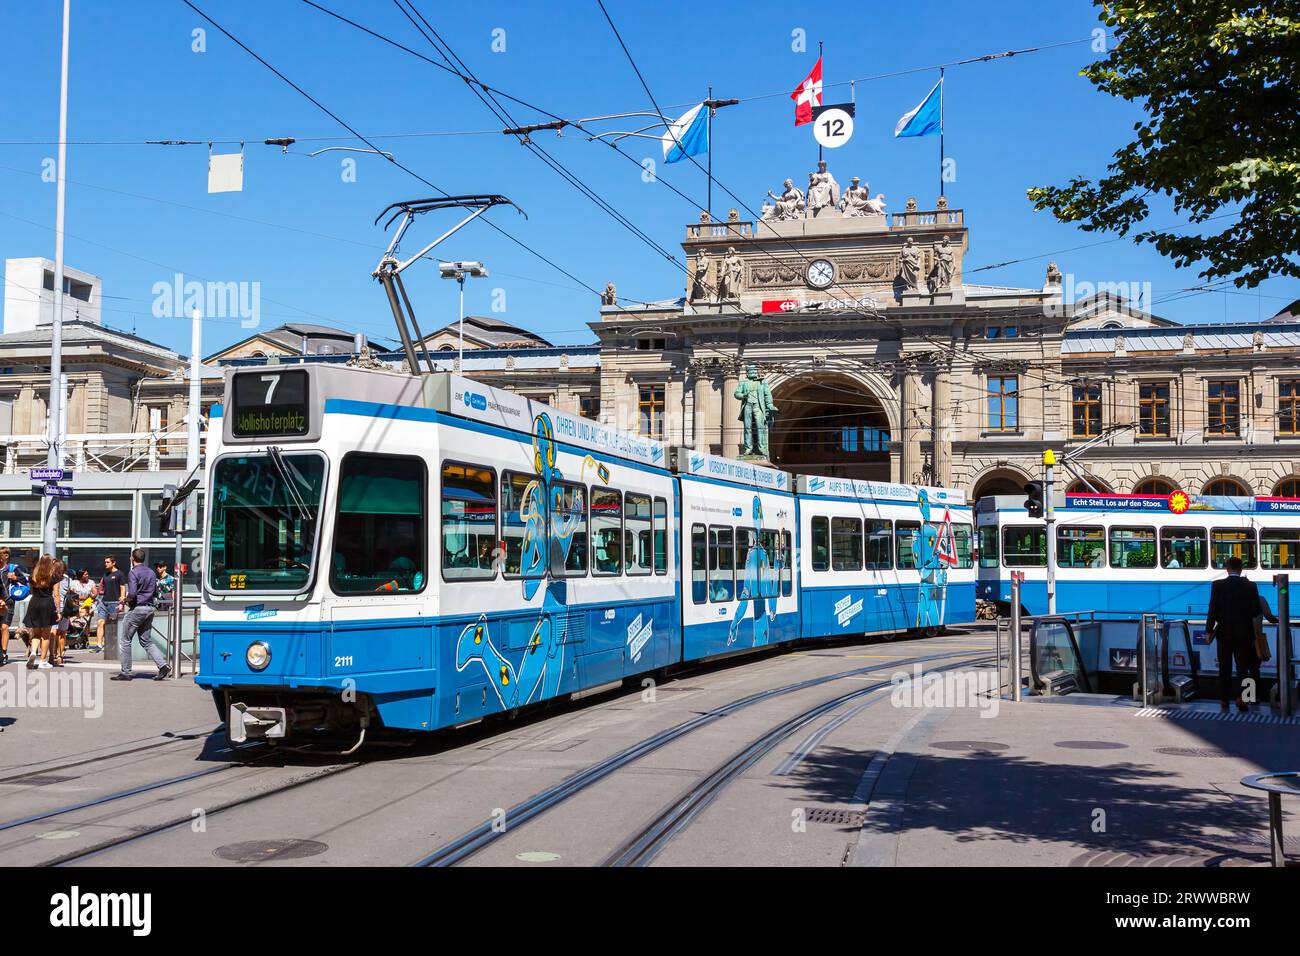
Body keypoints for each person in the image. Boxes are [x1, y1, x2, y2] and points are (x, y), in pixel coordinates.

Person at [1204, 556, 1263, 712]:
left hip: (1224, 633)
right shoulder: (1251, 586)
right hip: (1244, 633)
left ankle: (1224, 700)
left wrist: (1208, 631)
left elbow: (1212, 610)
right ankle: (1243, 698)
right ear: (1241, 569)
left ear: (1227, 569)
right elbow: (1256, 610)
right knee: (1243, 667)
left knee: (1224, 667)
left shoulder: (1217, 585)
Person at [112, 548, 170, 682]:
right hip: (149, 608)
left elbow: (132, 594)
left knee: (125, 640)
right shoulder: (151, 572)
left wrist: (124, 599)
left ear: (132, 559)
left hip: (137, 609)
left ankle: (126, 672)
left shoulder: (133, 573)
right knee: (146, 641)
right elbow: (155, 591)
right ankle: (163, 665)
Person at [25, 555, 57, 670]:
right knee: (46, 635)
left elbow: (31, 590)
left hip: (34, 603)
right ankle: (43, 660)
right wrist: (58, 610)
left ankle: (33, 652)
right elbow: (56, 595)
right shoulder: (53, 576)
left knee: (36, 633)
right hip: (47, 603)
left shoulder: (33, 575)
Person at [94, 554, 126, 652]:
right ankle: (99, 645)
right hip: (104, 602)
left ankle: (115, 645)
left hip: (115, 602)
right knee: (100, 622)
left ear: (113, 563)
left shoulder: (119, 574)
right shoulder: (105, 574)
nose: (106, 564)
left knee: (113, 625)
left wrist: (122, 601)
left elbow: (122, 587)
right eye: (105, 562)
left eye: (108, 562)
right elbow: (102, 587)